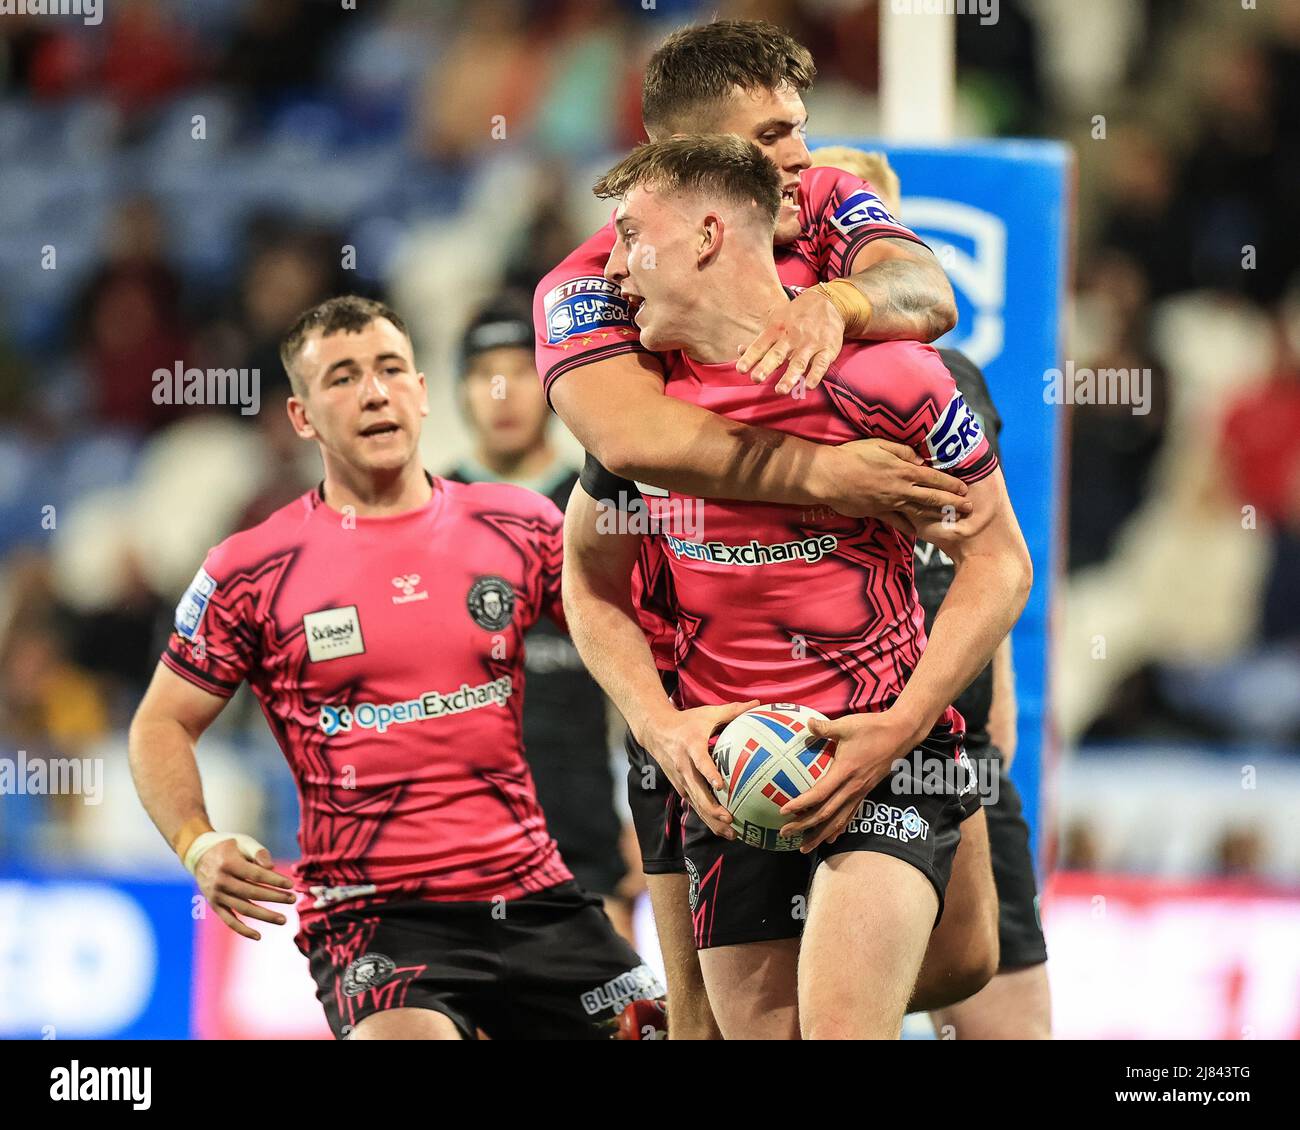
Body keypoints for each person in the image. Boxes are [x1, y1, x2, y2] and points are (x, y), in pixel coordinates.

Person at [533, 17, 987, 1038]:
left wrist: (837, 303)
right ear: (692, 170)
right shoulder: (590, 284)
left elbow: (924, 293)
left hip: (879, 655)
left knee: (963, 961)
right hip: (690, 688)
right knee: (708, 1023)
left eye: (802, 129)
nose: (802, 155)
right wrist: (829, 474)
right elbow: (634, 434)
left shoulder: (820, 196)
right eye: (774, 134)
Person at [127, 295, 664, 1041]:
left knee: (665, 1031)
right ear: (302, 416)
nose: (373, 392)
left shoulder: (519, 525)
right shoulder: (251, 568)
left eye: (388, 370)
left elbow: (638, 638)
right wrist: (199, 841)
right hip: (374, 919)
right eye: (342, 378)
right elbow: (162, 721)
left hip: (539, 899)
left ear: (419, 390)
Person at [809, 146, 1052, 1039]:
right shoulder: (769, 391)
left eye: (881, 221)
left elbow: (990, 553)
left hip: (960, 751)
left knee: (1007, 1017)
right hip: (837, 748)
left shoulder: (957, 380)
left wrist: (1001, 701)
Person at [445, 294, 642, 944]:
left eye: (520, 370)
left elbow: (648, 660)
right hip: (455, 835)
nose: (502, 392)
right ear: (459, 392)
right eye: (483, 374)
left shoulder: (604, 500)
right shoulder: (428, 512)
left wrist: (645, 814)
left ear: (552, 380)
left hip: (584, 832)